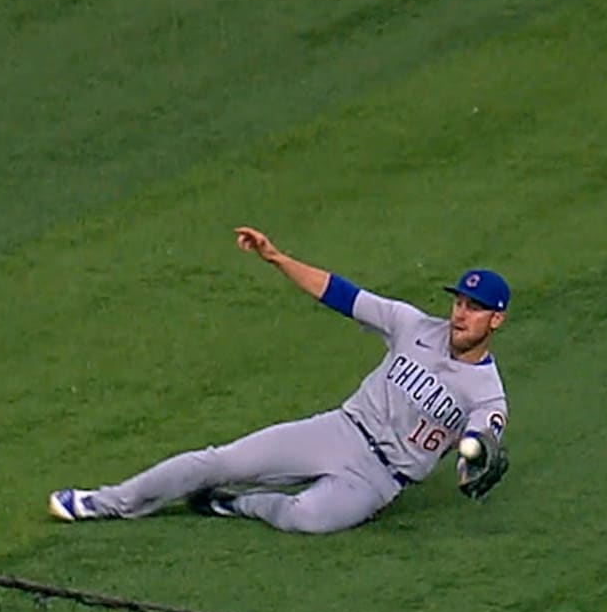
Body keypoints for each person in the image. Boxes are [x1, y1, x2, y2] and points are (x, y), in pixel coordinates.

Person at [47, 226, 511, 534]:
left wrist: (474, 459)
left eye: (474, 308)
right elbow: (339, 292)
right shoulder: (412, 325)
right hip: (336, 430)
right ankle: (103, 502)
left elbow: (481, 440)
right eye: (459, 303)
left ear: (496, 320)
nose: (461, 314)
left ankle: (235, 505)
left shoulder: (486, 395)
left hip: (377, 480)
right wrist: (276, 258)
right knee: (219, 460)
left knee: (305, 518)